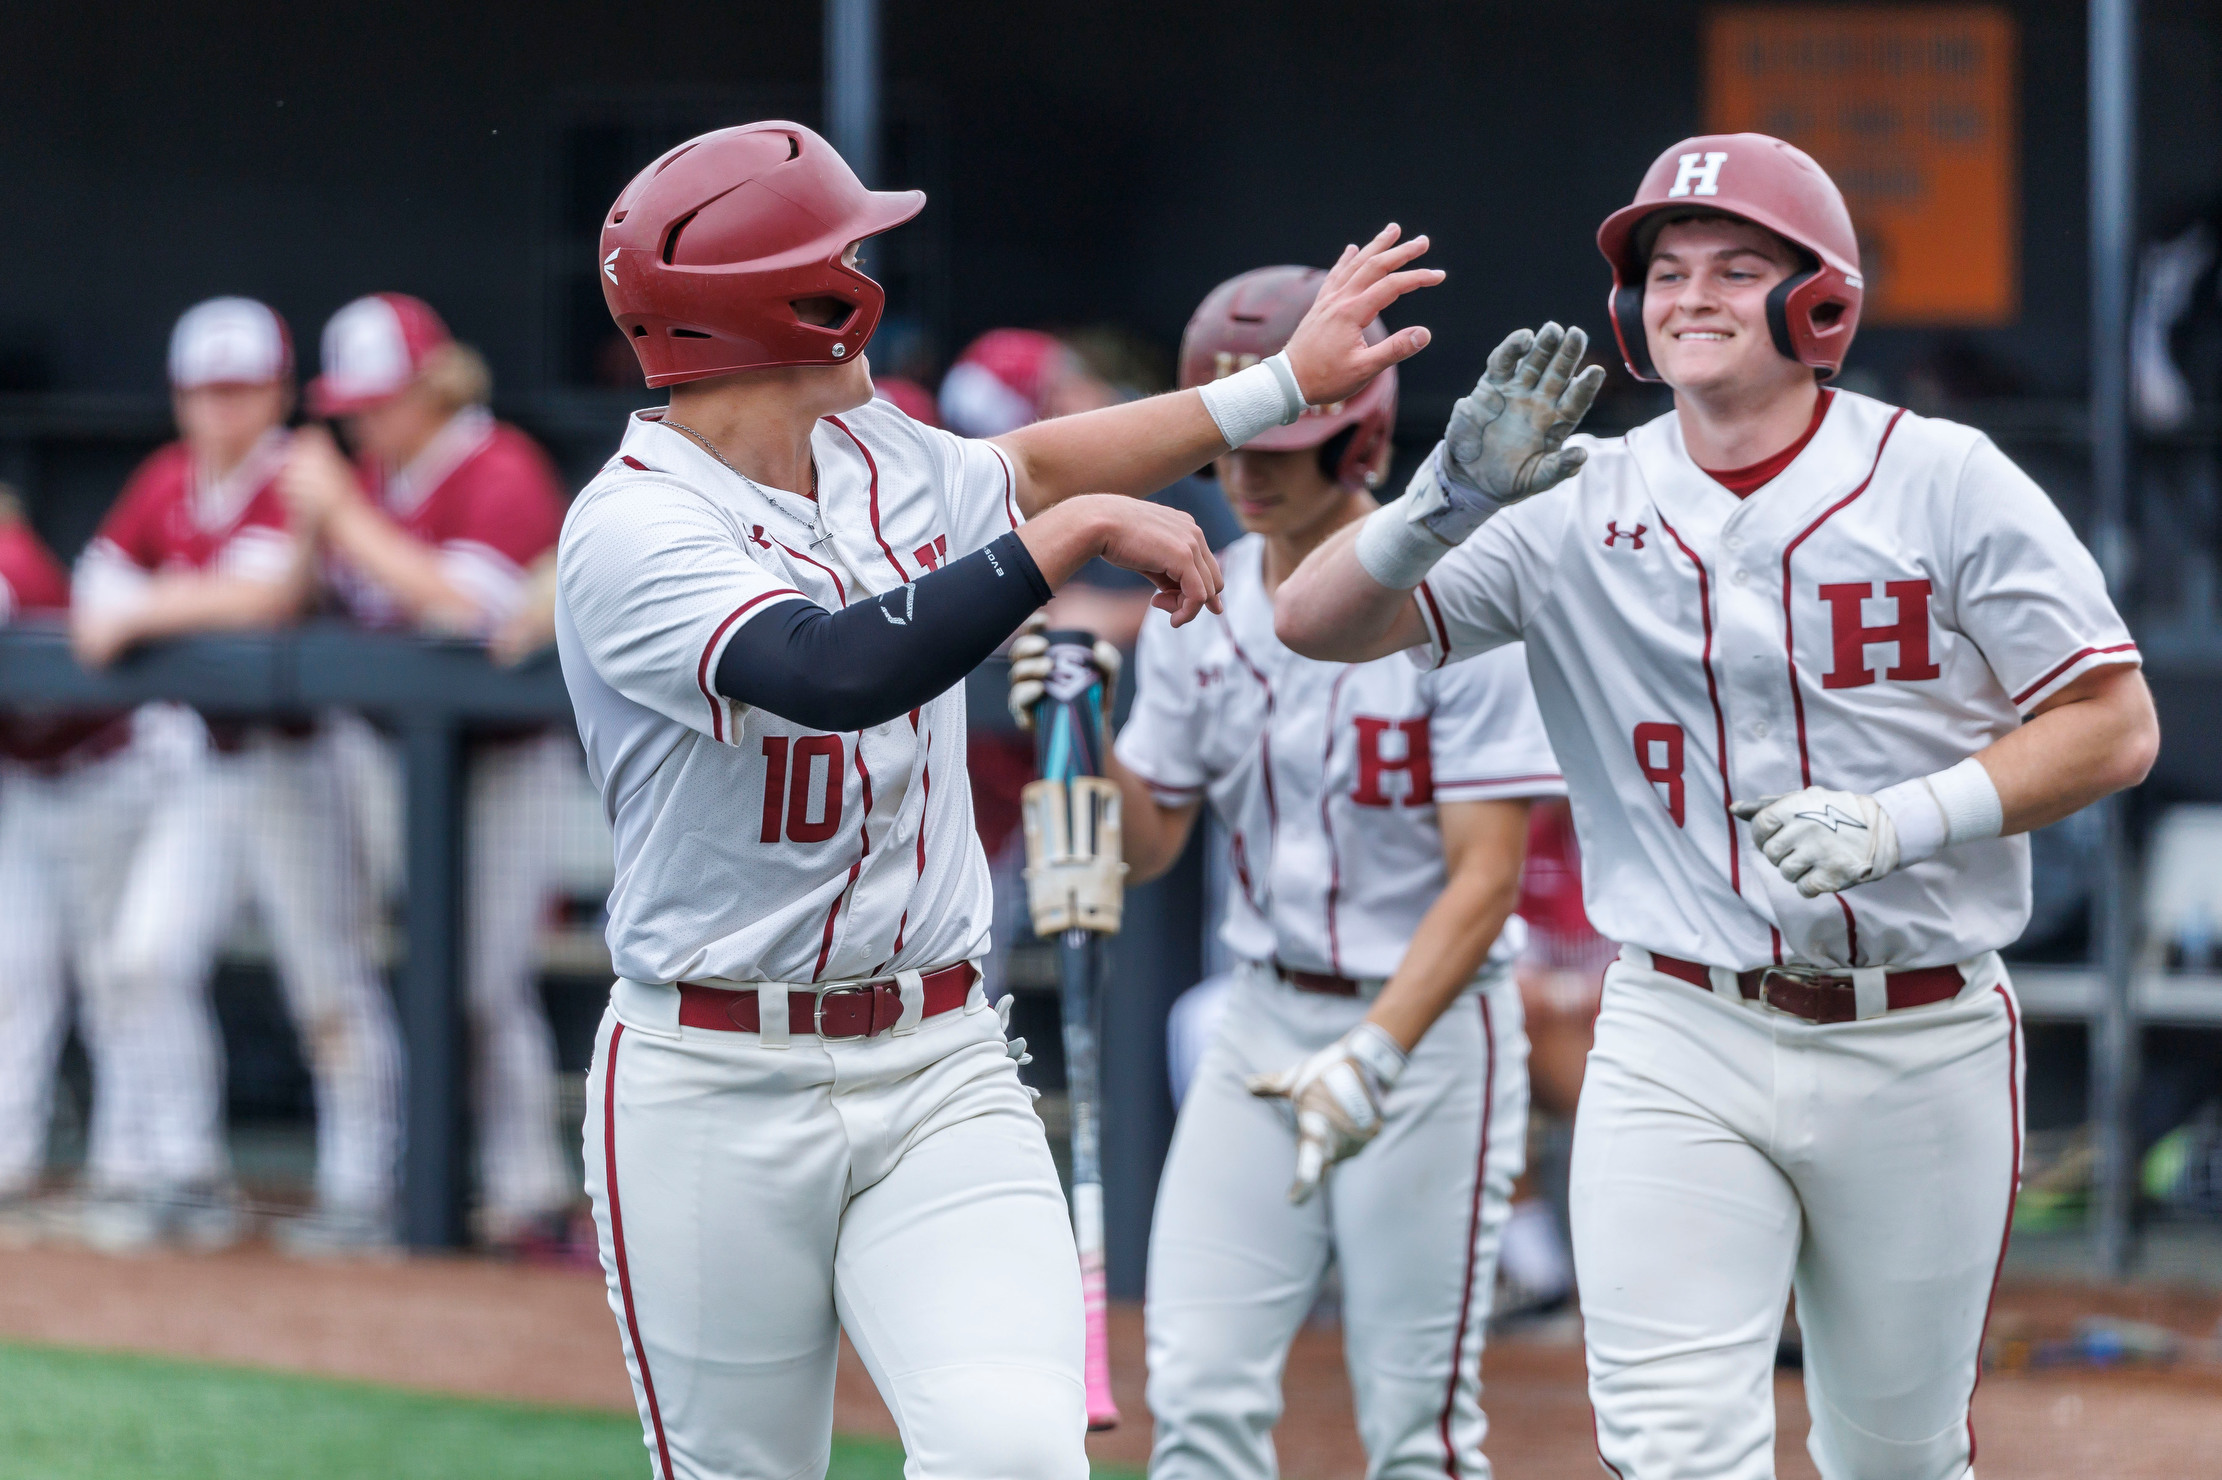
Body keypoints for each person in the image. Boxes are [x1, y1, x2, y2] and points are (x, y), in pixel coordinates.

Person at [555, 120, 1436, 1480]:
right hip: (708, 1077)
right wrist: (1069, 542)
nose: (866, 265)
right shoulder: (631, 525)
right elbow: (830, 666)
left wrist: (1275, 387)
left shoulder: (872, 450)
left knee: (1012, 1456)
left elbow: (1031, 467)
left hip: (934, 1061)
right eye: (838, 249)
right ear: (786, 300)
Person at [1273, 133, 2159, 1480]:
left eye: (1732, 269)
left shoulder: (1944, 476)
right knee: (1674, 1448)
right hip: (1677, 1026)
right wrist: (1437, 504)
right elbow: (1317, 624)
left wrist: (1901, 820)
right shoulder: (1573, 493)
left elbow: (2113, 726)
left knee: (1894, 1455)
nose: (1686, 295)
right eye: (1664, 271)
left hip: (1916, 1034)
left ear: (1818, 303)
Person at [1010, 265, 1563, 1480]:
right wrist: (1077, 733)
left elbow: (1485, 882)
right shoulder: (1198, 590)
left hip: (1421, 1039)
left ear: (1360, 433)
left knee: (1417, 1432)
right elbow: (1150, 842)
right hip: (1256, 1015)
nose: (1248, 468)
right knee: (1198, 1399)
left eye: (1284, 439)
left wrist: (1374, 1053)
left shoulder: (1453, 596)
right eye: (1235, 438)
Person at [72, 296, 396, 1253]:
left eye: (244, 388)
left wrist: (149, 604)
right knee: (143, 960)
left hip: (302, 762)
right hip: (207, 769)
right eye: (207, 390)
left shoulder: (299, 471)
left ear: (280, 392)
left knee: (327, 985)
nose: (224, 409)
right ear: (180, 397)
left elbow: (264, 600)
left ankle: (362, 1191)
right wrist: (163, 602)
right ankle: (184, 1173)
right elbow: (94, 591)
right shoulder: (166, 478)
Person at [280, 292, 578, 1251]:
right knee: (401, 977)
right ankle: (428, 1184)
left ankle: (524, 1189)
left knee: (480, 987)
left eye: (381, 398)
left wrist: (338, 518)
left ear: (435, 385)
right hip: (387, 759)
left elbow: (469, 614)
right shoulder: (376, 475)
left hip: (500, 770)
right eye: (352, 402)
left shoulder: (499, 466)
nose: (361, 418)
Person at [0, 490, 156, 1237]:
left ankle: (126, 1172)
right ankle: (9, 1164)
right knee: (14, 974)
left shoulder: (11, 558)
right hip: (33, 786)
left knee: (111, 978)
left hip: (107, 776)